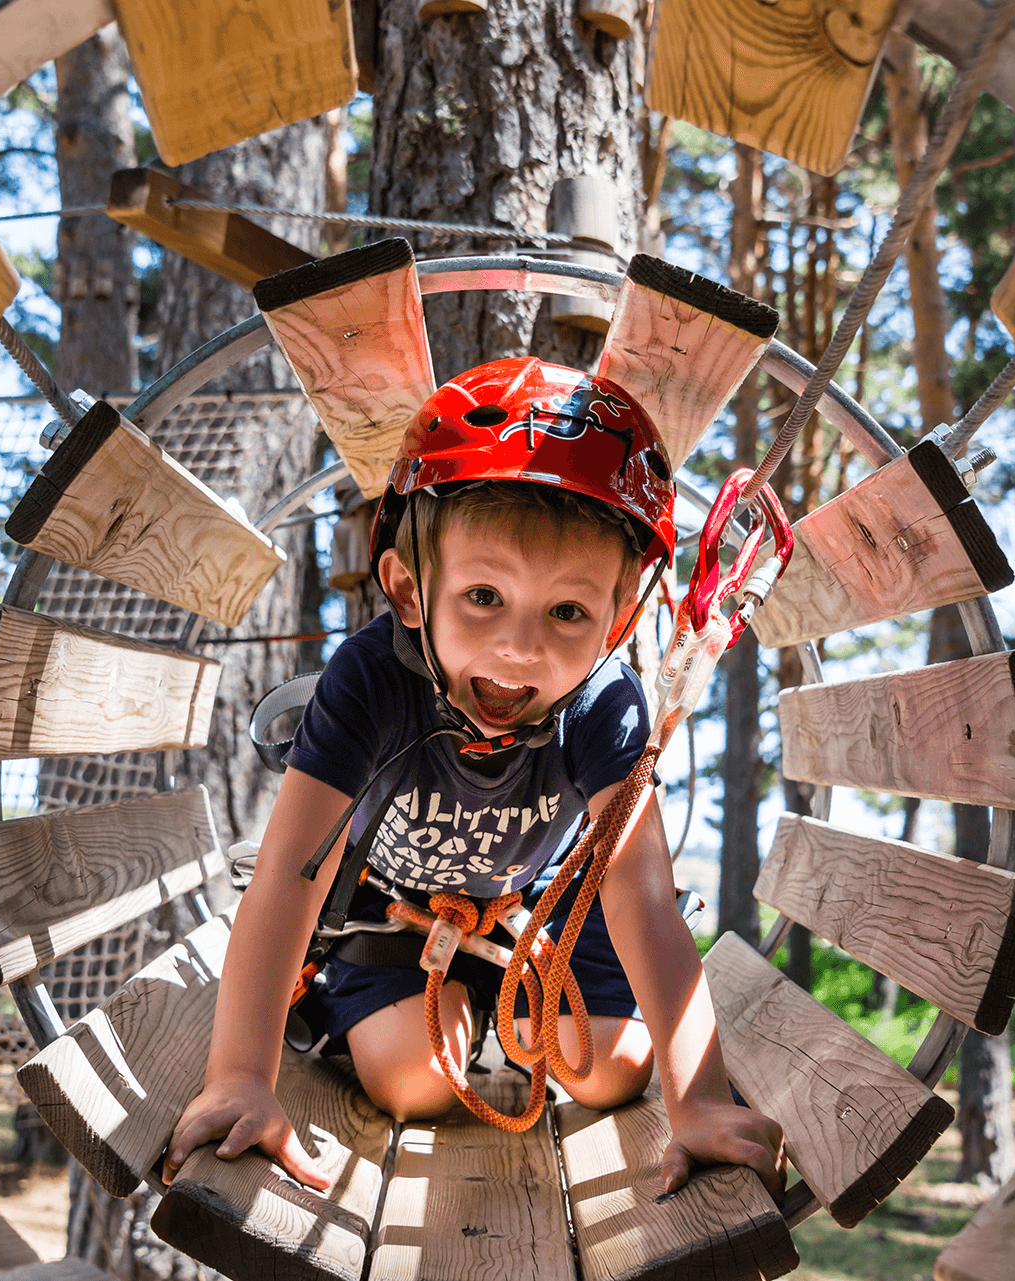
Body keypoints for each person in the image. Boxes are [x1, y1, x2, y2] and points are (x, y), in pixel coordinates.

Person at [166, 357, 784, 1197]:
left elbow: (638, 891)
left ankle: (518, 1003)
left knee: (613, 1072)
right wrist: (242, 1074)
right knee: (411, 1085)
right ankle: (426, 1002)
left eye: (568, 612)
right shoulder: (371, 681)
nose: (521, 647)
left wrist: (700, 1099)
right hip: (395, 916)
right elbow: (287, 877)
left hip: (550, 908)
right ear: (410, 591)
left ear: (619, 614)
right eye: (484, 596)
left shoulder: (607, 703)